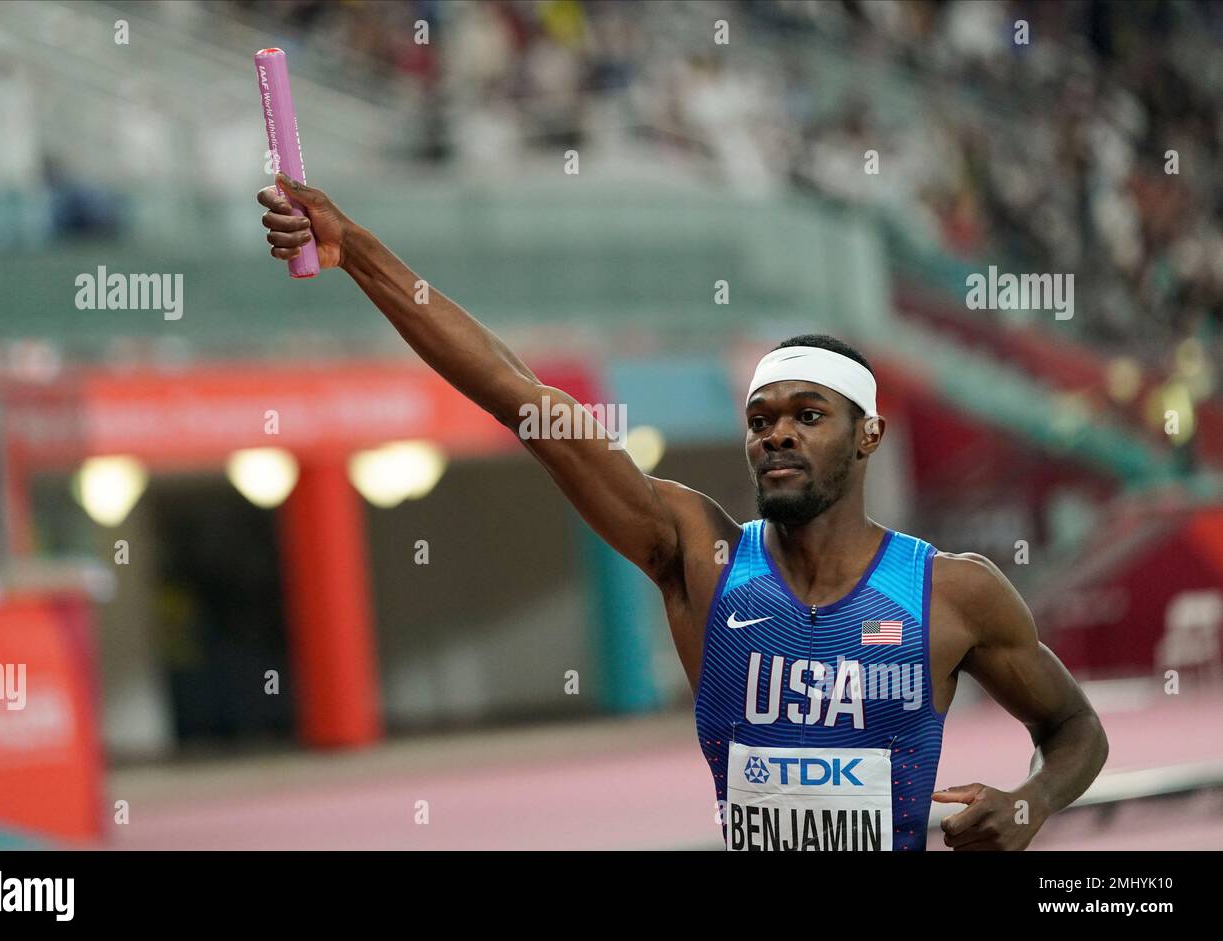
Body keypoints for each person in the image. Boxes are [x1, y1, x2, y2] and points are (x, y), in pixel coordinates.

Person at [257, 173, 1109, 851]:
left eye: (808, 415)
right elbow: (518, 394)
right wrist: (356, 249)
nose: (777, 434)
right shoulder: (698, 557)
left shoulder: (953, 593)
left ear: (869, 434)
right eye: (761, 418)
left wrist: (1031, 804)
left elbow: (1074, 729)